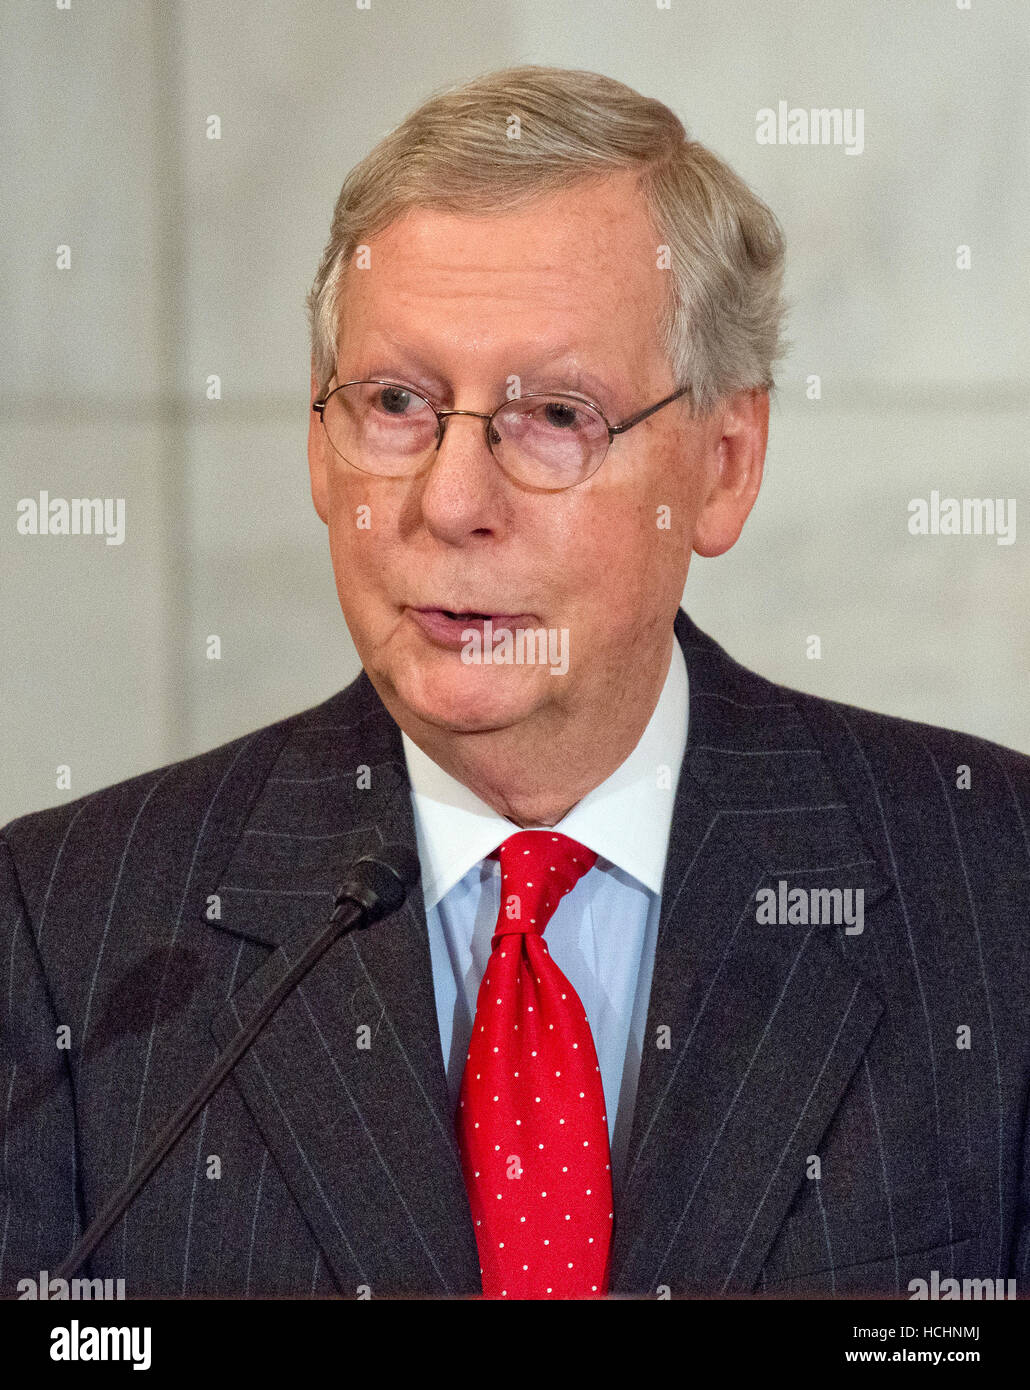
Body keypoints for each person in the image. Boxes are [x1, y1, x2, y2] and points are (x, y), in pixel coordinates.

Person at [2, 66, 1028, 1301]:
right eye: (394, 403)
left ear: (724, 462)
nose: (450, 502)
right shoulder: (70, 933)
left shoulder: (991, 887)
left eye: (552, 413)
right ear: (317, 449)